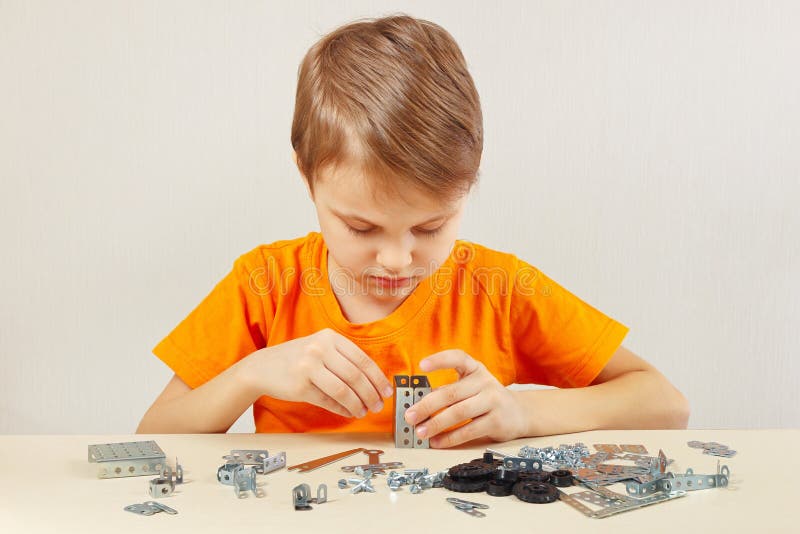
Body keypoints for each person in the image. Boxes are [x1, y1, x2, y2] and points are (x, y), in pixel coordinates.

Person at [137, 14, 689, 446]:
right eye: (360, 226)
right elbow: (152, 435)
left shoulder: (498, 289)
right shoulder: (265, 283)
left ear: (468, 186)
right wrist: (251, 375)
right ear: (308, 178)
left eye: (430, 226)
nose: (397, 260)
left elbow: (665, 403)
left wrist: (522, 412)